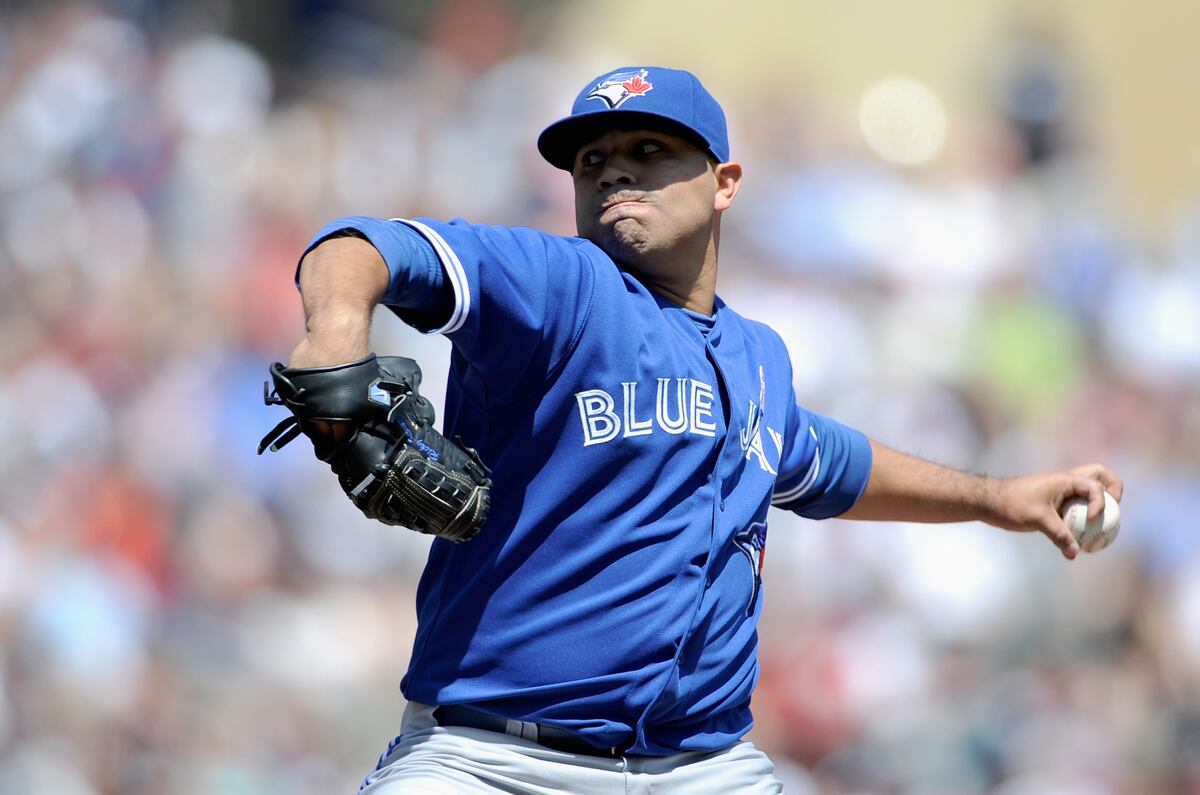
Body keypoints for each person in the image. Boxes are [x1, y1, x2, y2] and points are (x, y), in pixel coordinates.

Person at [282, 66, 1123, 794]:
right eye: (593, 161)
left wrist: (996, 497)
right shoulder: (562, 285)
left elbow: (832, 465)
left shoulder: (759, 359)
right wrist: (333, 340)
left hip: (697, 767)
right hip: (491, 755)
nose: (615, 174)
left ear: (725, 181)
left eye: (648, 153)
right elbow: (359, 246)